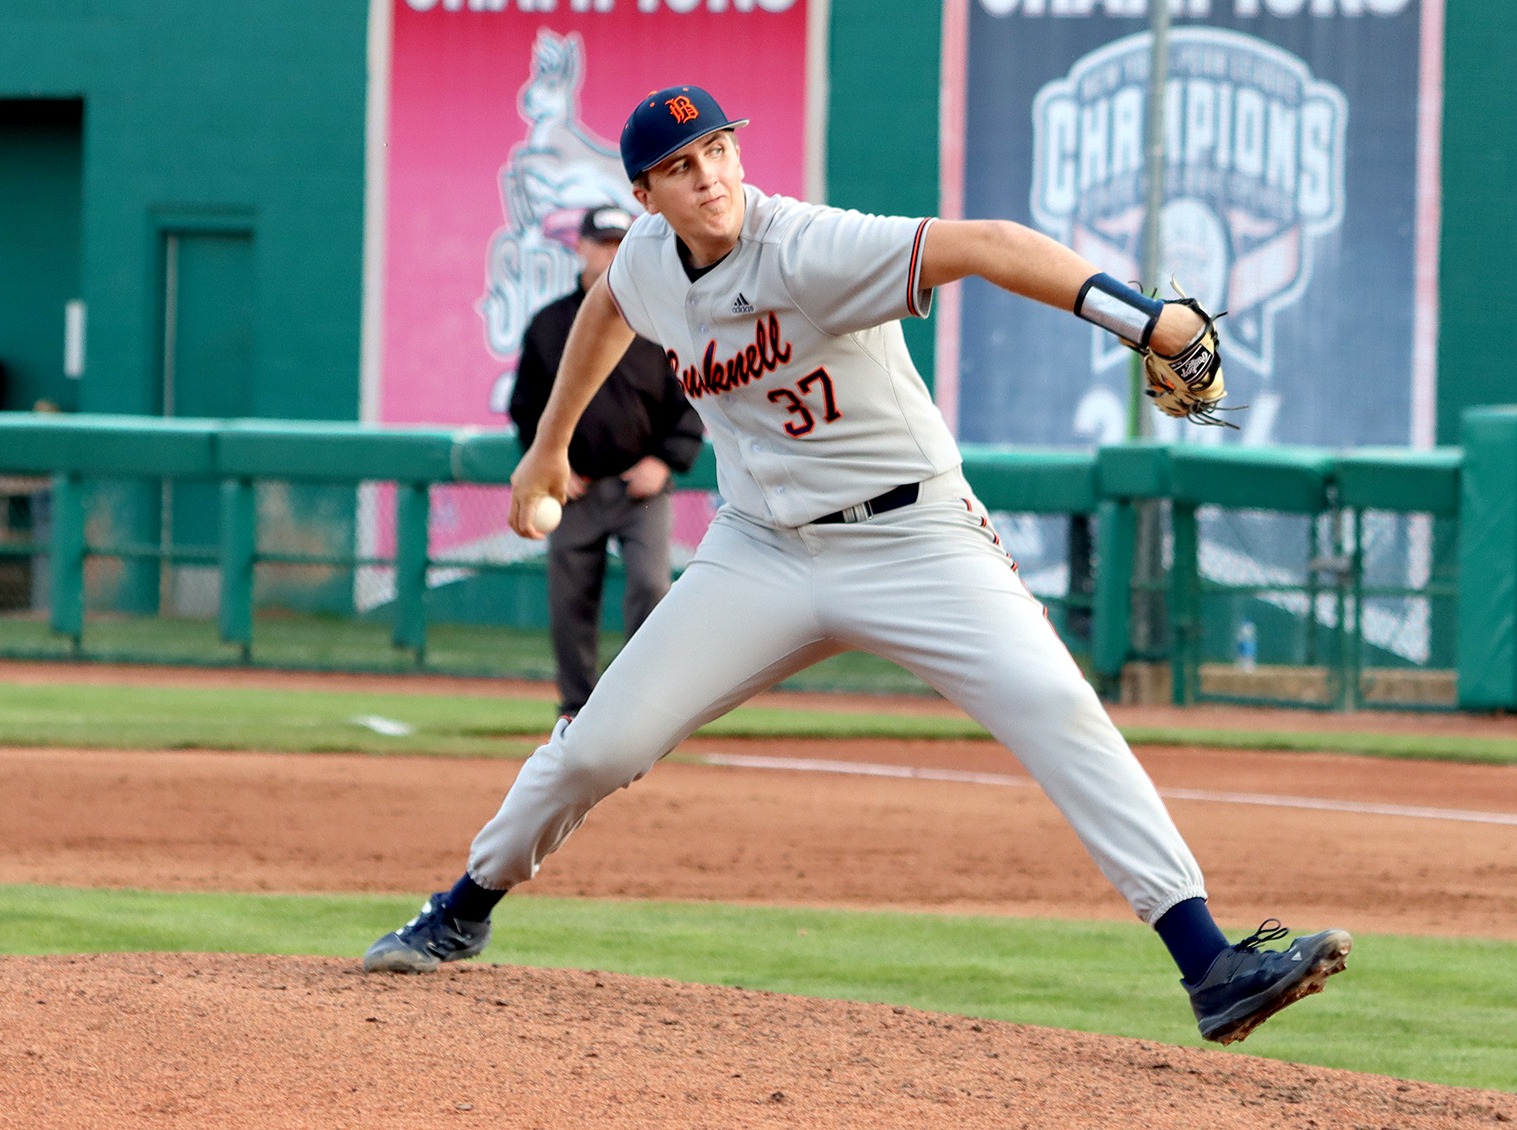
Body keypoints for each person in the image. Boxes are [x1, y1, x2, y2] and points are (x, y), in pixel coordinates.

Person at [364, 86, 1351, 1045]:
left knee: (1054, 705)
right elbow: (606, 313)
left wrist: (1146, 322)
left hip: (912, 535)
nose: (707, 176)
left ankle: (1209, 964)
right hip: (757, 551)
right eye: (677, 167)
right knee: (596, 747)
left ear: (737, 151)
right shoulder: (651, 265)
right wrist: (548, 447)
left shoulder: (806, 244)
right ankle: (460, 905)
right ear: (645, 198)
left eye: (716, 149)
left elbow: (992, 245)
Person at [508, 205, 704, 716]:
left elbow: (691, 399)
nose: (613, 253)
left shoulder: (657, 320)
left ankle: (642, 703)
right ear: (582, 248)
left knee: (651, 587)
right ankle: (576, 708)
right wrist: (552, 461)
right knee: (571, 602)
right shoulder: (550, 325)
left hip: (641, 486)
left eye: (622, 244)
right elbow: (526, 407)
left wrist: (665, 461)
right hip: (575, 488)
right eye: (604, 243)